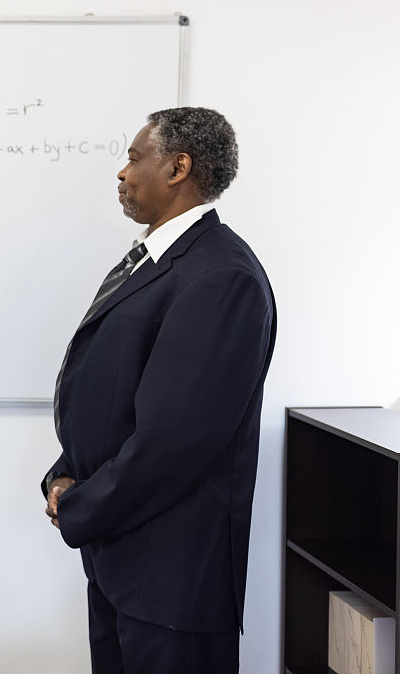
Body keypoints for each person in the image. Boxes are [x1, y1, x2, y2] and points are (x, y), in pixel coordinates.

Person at [42, 107, 276, 674]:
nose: (122, 172)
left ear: (178, 168)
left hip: (171, 577)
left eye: (133, 157)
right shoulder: (155, 260)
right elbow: (112, 395)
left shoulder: (221, 275)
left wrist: (81, 505)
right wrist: (65, 474)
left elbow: (174, 441)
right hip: (121, 559)